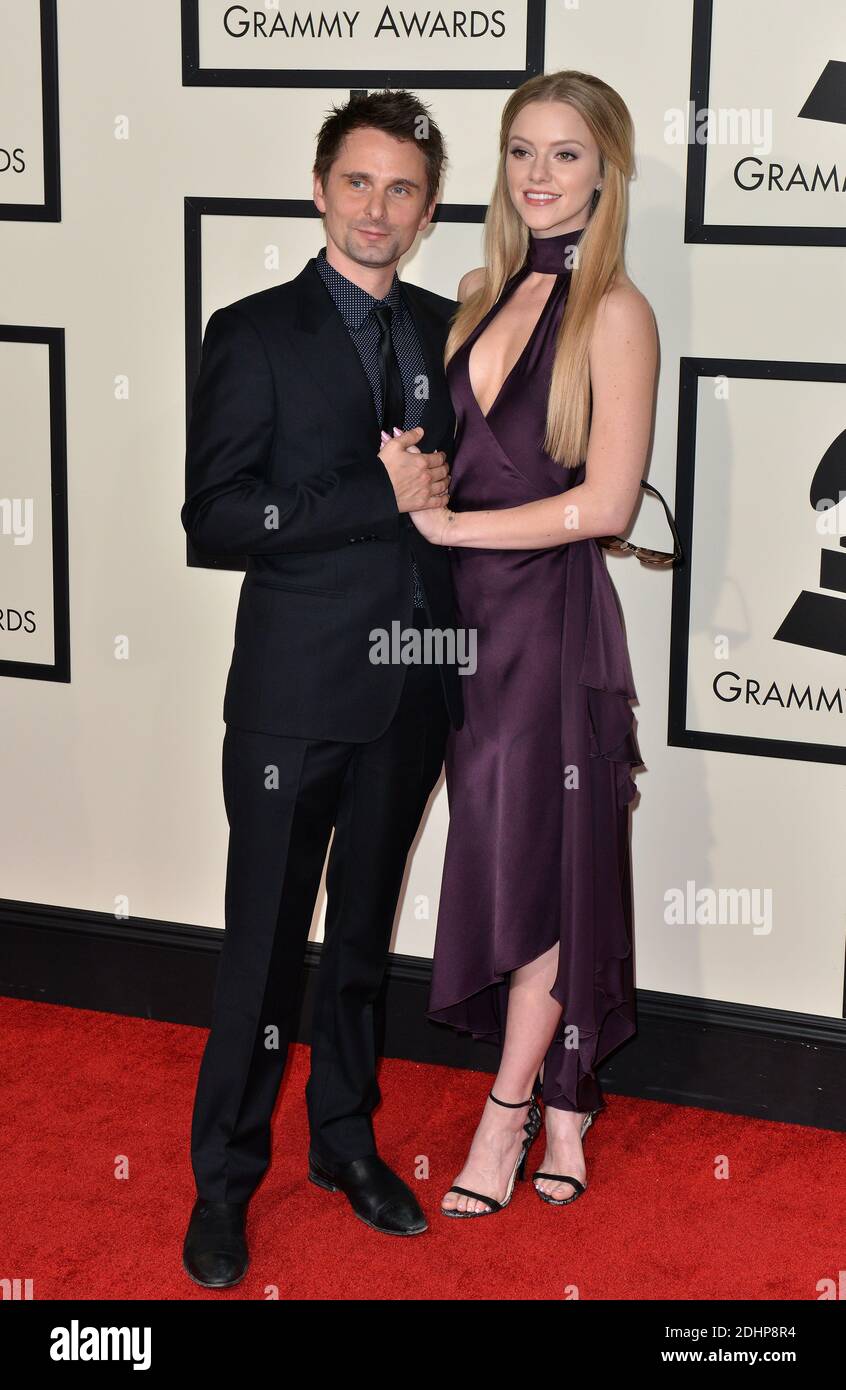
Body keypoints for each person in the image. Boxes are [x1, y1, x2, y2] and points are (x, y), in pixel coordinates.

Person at [180, 89, 462, 1286]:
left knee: (358, 943)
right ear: (318, 188)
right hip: (294, 697)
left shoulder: (454, 328)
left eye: (402, 188)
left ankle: (344, 1143)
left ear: (428, 208)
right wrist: (375, 500)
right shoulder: (253, 332)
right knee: (263, 952)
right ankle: (222, 1184)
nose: (377, 209)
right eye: (358, 182)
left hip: (415, 685)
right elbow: (216, 516)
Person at [410, 71, 658, 1216]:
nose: (540, 175)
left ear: (605, 171)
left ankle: (506, 1113)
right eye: (522, 151)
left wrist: (460, 521)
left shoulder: (617, 312)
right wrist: (415, 486)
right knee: (508, 860)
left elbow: (605, 504)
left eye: (566, 154)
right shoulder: (471, 290)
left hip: (551, 627)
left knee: (547, 862)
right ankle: (566, 1096)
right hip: (461, 628)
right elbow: (455, 455)